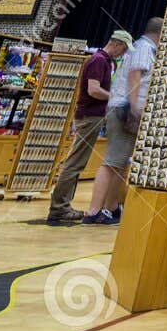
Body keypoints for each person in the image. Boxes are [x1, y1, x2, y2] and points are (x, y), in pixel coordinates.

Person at [47, 30, 132, 225]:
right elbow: (93, 90)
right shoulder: (98, 61)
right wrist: (116, 98)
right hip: (89, 117)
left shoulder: (105, 61)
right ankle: (59, 207)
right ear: (117, 44)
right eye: (124, 48)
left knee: (77, 162)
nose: (123, 53)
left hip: (94, 117)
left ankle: (63, 206)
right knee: (75, 163)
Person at [85, 18, 161, 224]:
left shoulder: (142, 48)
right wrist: (135, 107)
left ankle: (111, 208)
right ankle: (93, 211)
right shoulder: (144, 48)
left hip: (122, 108)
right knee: (111, 163)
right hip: (124, 109)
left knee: (119, 163)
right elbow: (134, 76)